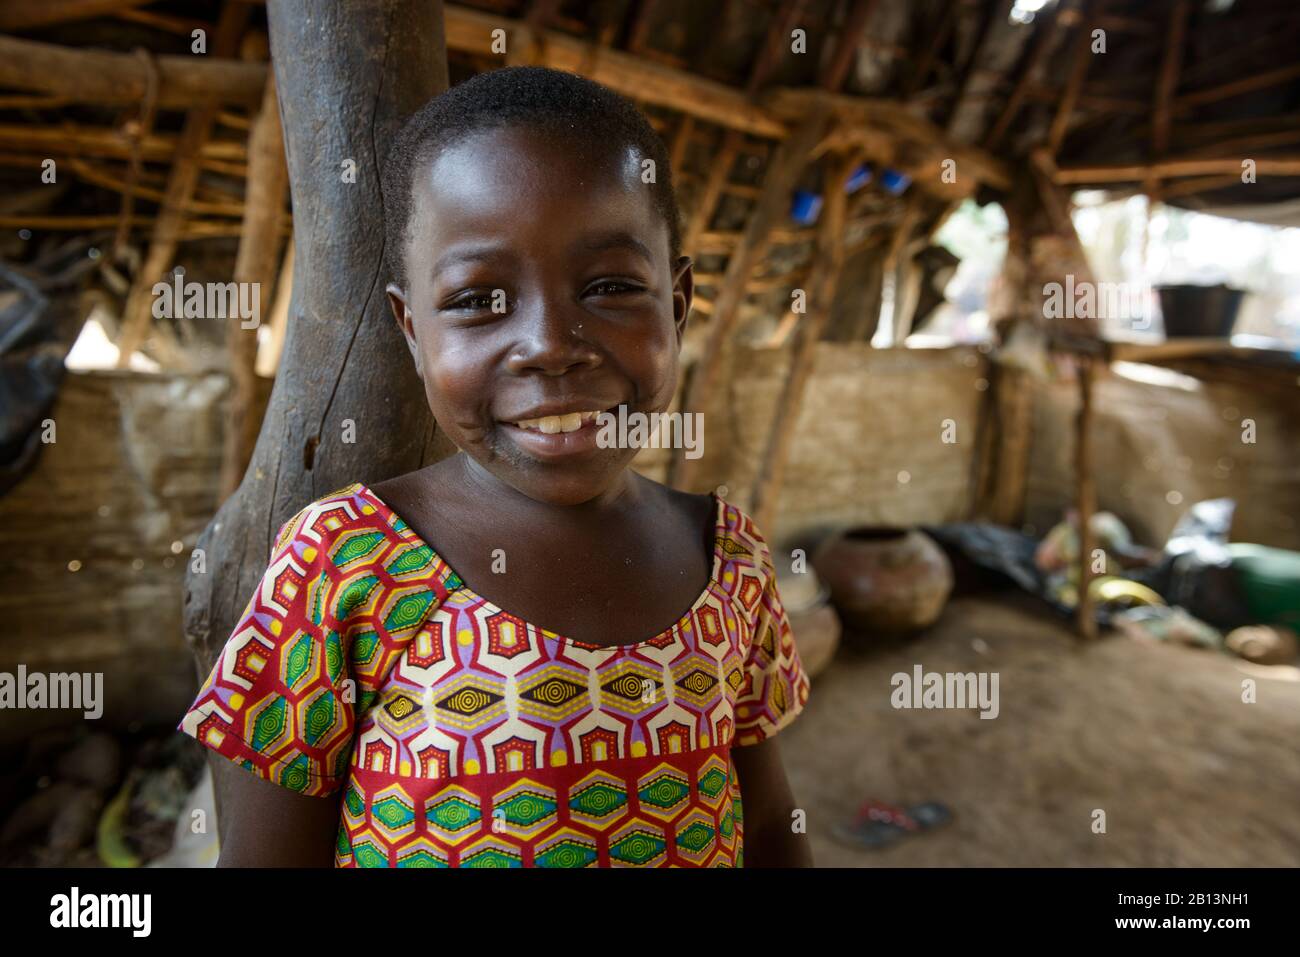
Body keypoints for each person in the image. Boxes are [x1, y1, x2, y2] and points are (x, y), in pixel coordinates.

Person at [178, 66, 811, 868]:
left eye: (611, 286)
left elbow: (769, 824)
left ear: (677, 307)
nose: (549, 343)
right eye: (478, 299)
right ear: (412, 331)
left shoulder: (731, 559)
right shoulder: (344, 565)